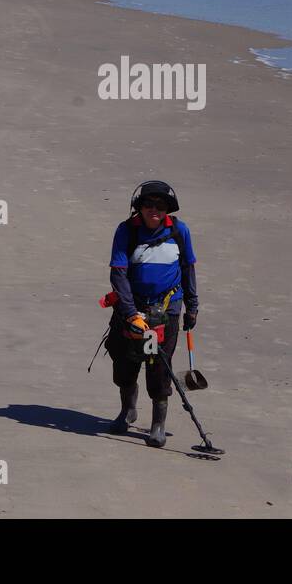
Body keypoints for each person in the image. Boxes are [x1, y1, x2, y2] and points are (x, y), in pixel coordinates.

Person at [103, 181, 199, 448]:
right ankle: (128, 411)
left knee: (158, 366)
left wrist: (192, 306)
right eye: (148, 204)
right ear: (138, 208)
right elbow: (118, 273)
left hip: (166, 311)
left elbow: (188, 269)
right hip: (131, 309)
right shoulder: (126, 231)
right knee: (125, 363)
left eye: (160, 205)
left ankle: (158, 424)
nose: (154, 210)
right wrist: (131, 312)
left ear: (168, 209)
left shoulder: (180, 231)